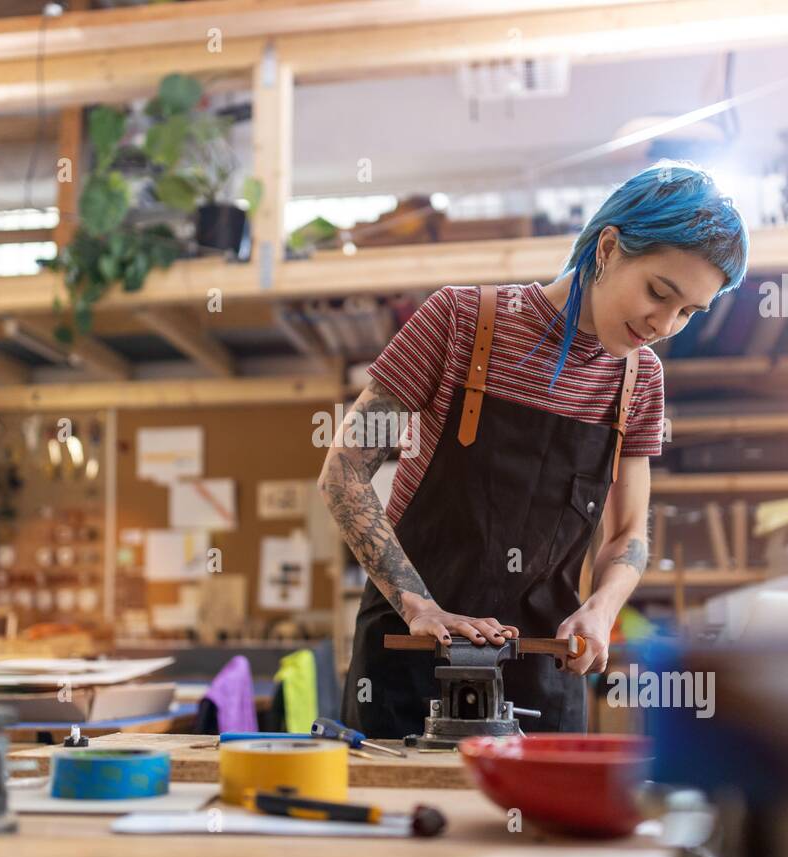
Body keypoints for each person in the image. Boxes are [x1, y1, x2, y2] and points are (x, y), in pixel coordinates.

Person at [319, 160, 750, 738]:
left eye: (688, 313)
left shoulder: (639, 380)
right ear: (608, 247)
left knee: (539, 825)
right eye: (658, 292)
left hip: (543, 662)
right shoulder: (458, 322)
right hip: (411, 653)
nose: (664, 324)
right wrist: (420, 606)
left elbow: (628, 536)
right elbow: (343, 473)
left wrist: (600, 610)